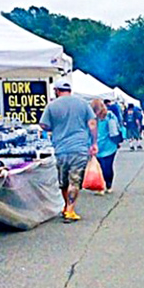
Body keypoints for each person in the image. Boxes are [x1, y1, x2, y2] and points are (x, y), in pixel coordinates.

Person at [39, 80, 97, 222]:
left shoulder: (52, 106)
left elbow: (43, 124)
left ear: (57, 91)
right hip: (79, 148)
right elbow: (92, 123)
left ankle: (67, 208)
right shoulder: (83, 103)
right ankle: (70, 210)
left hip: (60, 149)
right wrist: (94, 142)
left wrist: (54, 128)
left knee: (63, 182)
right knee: (74, 181)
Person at [90, 99, 119, 194]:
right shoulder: (93, 118)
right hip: (97, 146)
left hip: (109, 145)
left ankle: (108, 185)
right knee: (100, 167)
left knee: (107, 167)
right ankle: (101, 186)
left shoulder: (109, 116)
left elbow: (114, 131)